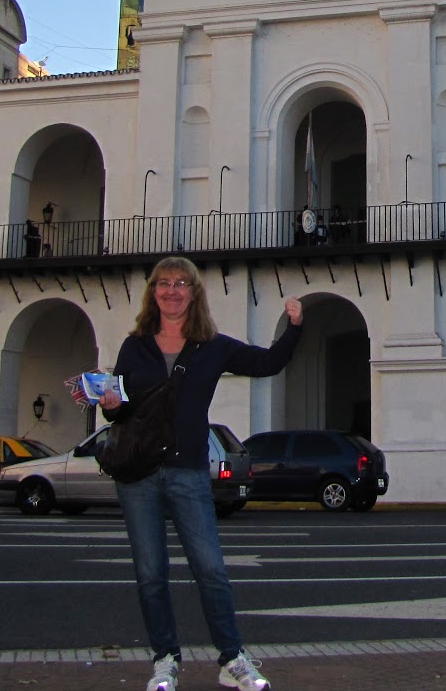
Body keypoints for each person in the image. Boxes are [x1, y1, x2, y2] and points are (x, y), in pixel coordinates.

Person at [100, 257, 303, 691]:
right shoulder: (135, 346)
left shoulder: (213, 345)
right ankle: (165, 660)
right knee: (151, 573)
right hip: (138, 476)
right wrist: (108, 403)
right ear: (153, 292)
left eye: (181, 284)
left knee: (210, 569)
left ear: (194, 293)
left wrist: (296, 327)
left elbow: (267, 363)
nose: (171, 291)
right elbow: (119, 402)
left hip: (187, 472)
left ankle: (232, 659)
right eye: (163, 284)